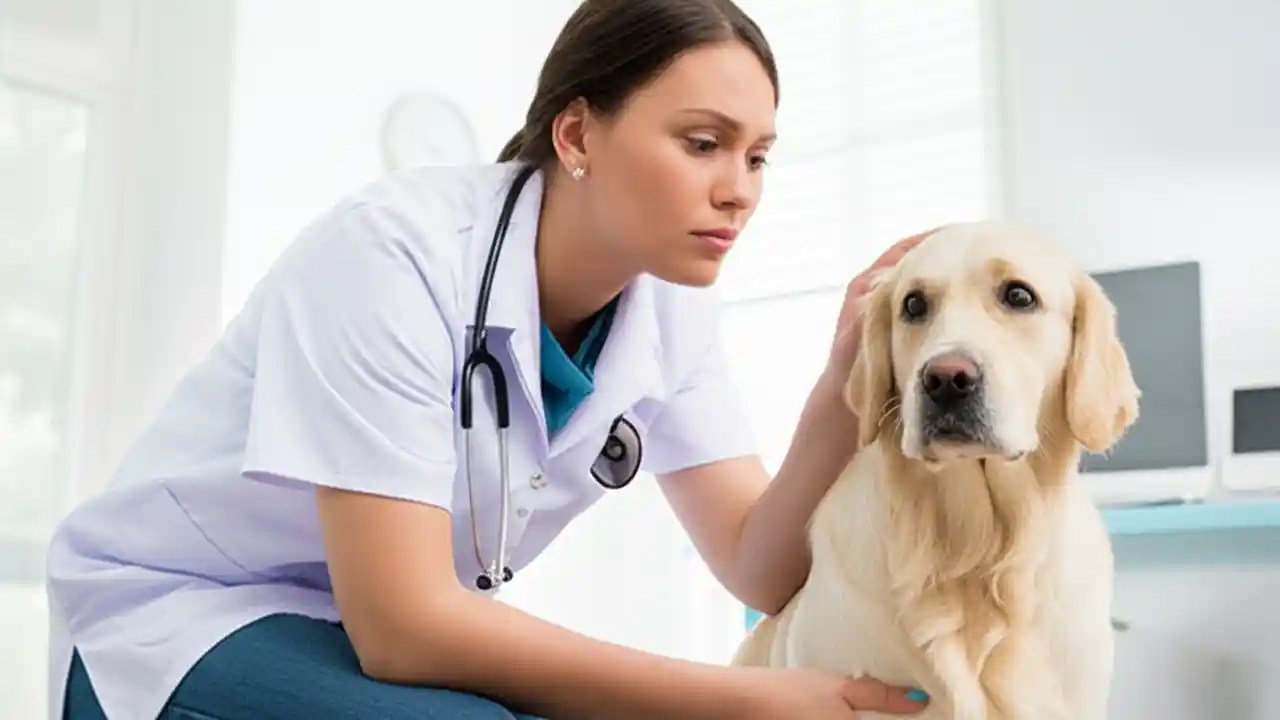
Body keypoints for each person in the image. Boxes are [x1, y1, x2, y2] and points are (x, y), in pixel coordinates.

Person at [46, 1, 935, 718]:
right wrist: (734, 701)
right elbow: (403, 627)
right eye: (703, 143)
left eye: (758, 156)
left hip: (353, 636)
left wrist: (845, 381)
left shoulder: (669, 309)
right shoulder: (393, 254)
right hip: (184, 615)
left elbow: (758, 566)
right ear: (576, 136)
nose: (739, 190)